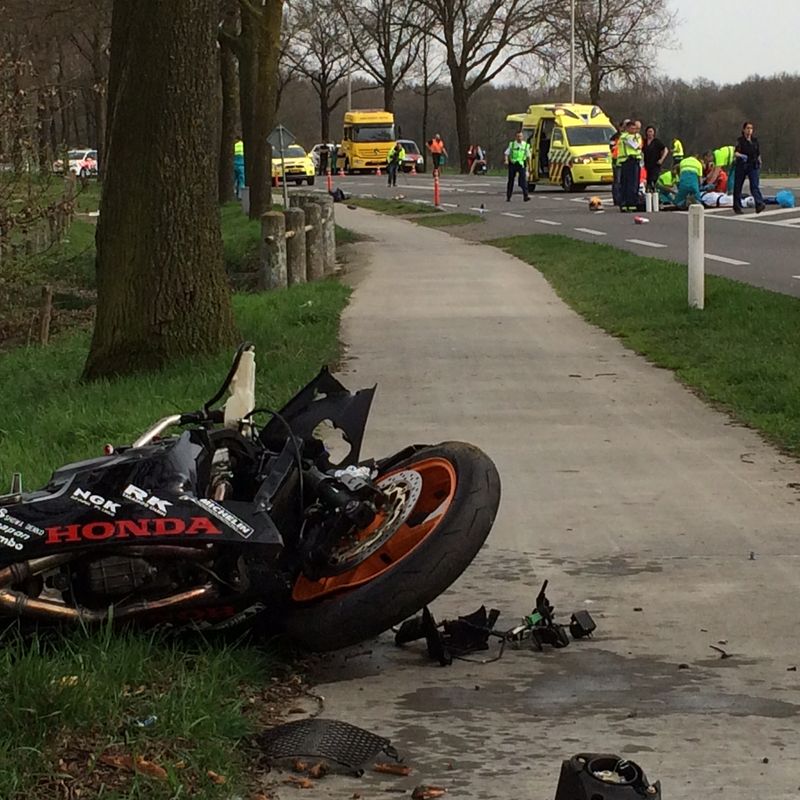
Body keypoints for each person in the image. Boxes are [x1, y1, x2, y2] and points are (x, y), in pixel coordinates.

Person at [733, 121, 765, 215]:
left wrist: (759, 161)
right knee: (738, 186)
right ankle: (737, 206)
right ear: (743, 130)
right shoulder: (740, 140)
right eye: (747, 128)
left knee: (754, 186)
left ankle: (759, 203)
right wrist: (742, 156)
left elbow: (758, 153)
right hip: (742, 165)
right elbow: (736, 152)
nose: (749, 130)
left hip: (753, 165)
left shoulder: (755, 141)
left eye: (751, 128)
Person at [618, 119, 642, 212]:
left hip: (635, 160)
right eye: (632, 128)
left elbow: (639, 145)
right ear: (627, 128)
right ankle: (625, 204)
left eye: (635, 128)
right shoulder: (625, 136)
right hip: (627, 160)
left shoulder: (637, 136)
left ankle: (632, 204)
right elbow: (635, 145)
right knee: (627, 184)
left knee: (634, 184)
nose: (634, 130)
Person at [504, 131, 531, 202]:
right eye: (518, 136)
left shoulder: (525, 145)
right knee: (511, 180)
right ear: (516, 137)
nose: (519, 138)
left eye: (521, 136)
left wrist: (528, 167)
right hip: (513, 164)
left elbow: (528, 157)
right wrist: (506, 160)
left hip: (521, 164)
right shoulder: (512, 144)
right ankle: (508, 196)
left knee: (523, 180)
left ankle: (526, 196)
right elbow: (506, 153)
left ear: (523, 137)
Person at [642, 126, 668, 192]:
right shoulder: (644, 141)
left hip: (655, 164)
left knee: (653, 179)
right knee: (648, 181)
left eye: (651, 131)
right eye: (648, 131)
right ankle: (648, 196)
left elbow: (665, 149)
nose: (649, 133)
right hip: (647, 164)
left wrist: (662, 159)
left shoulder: (656, 142)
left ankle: (654, 193)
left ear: (653, 133)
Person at [233, 134, 245, 199]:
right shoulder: (243, 145)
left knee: (234, 181)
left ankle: (234, 195)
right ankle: (241, 196)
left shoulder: (234, 145)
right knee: (241, 182)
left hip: (234, 165)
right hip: (242, 165)